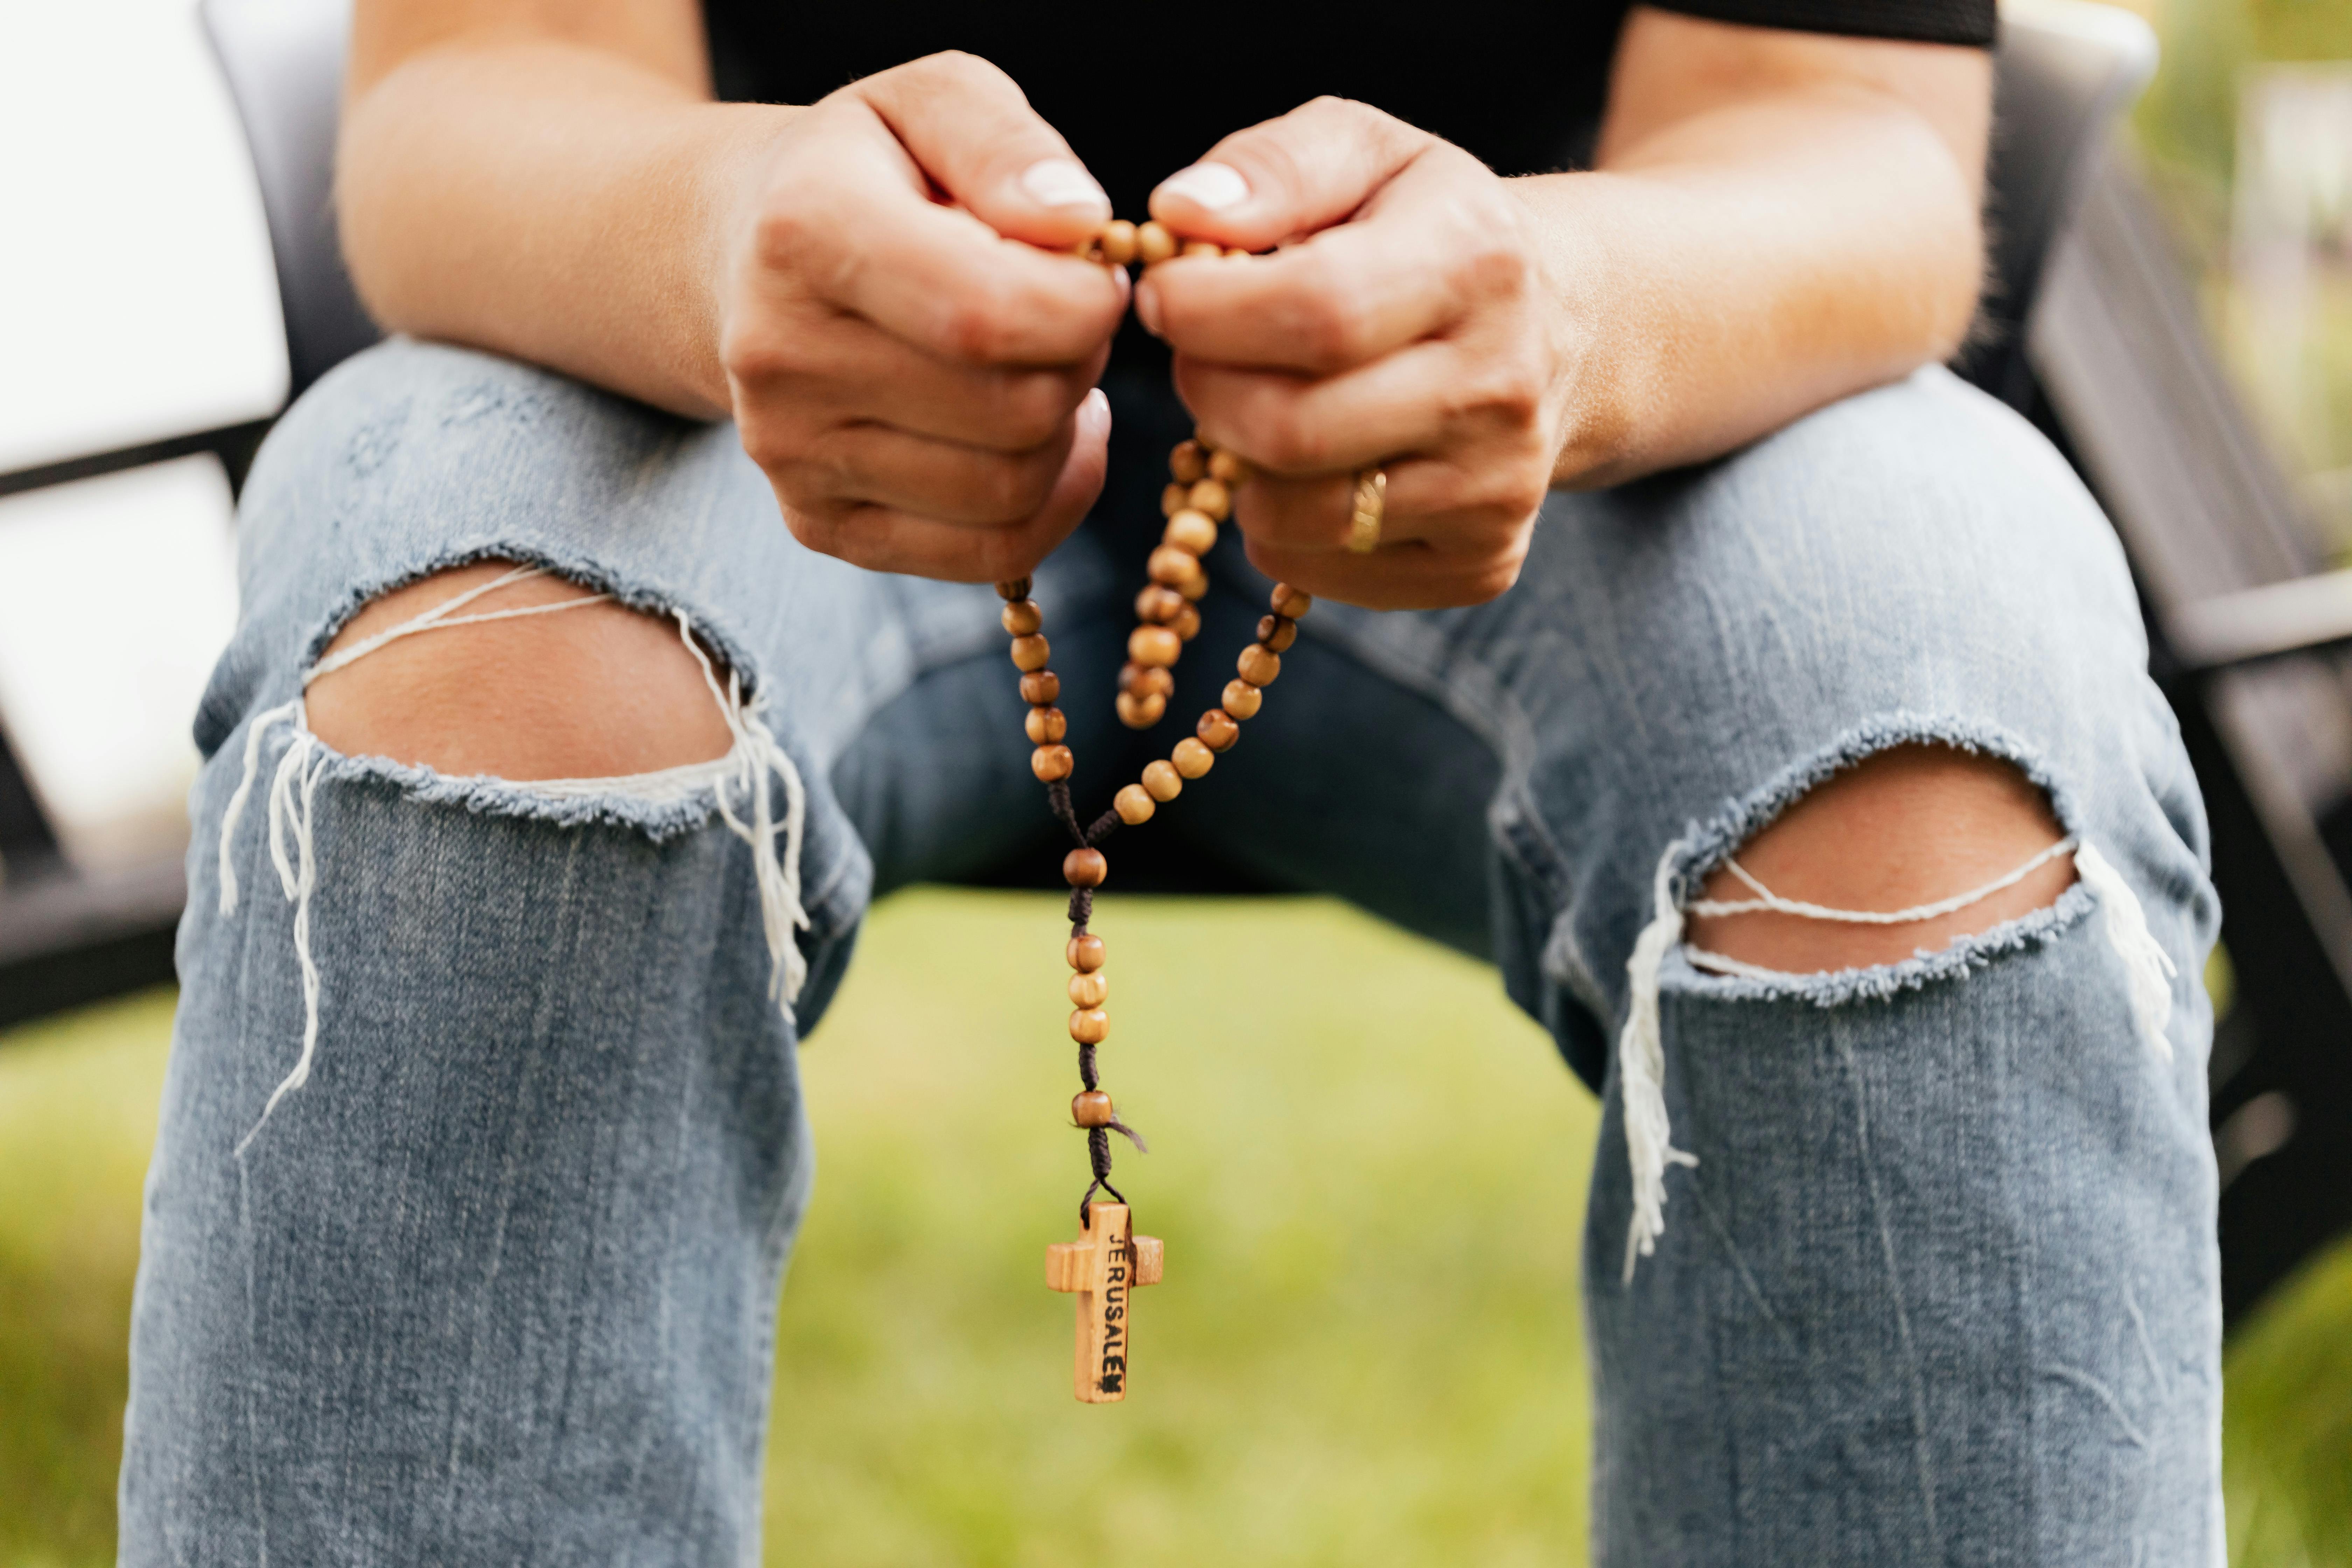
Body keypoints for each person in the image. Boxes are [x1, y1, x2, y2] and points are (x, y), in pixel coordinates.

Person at [118, 0, 2224, 1559]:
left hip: (1592, 420)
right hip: (721, 383)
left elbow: (1846, 130)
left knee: (1932, 711)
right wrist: (727, 238)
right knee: (483, 660)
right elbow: (473, 86)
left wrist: (1572, 313)